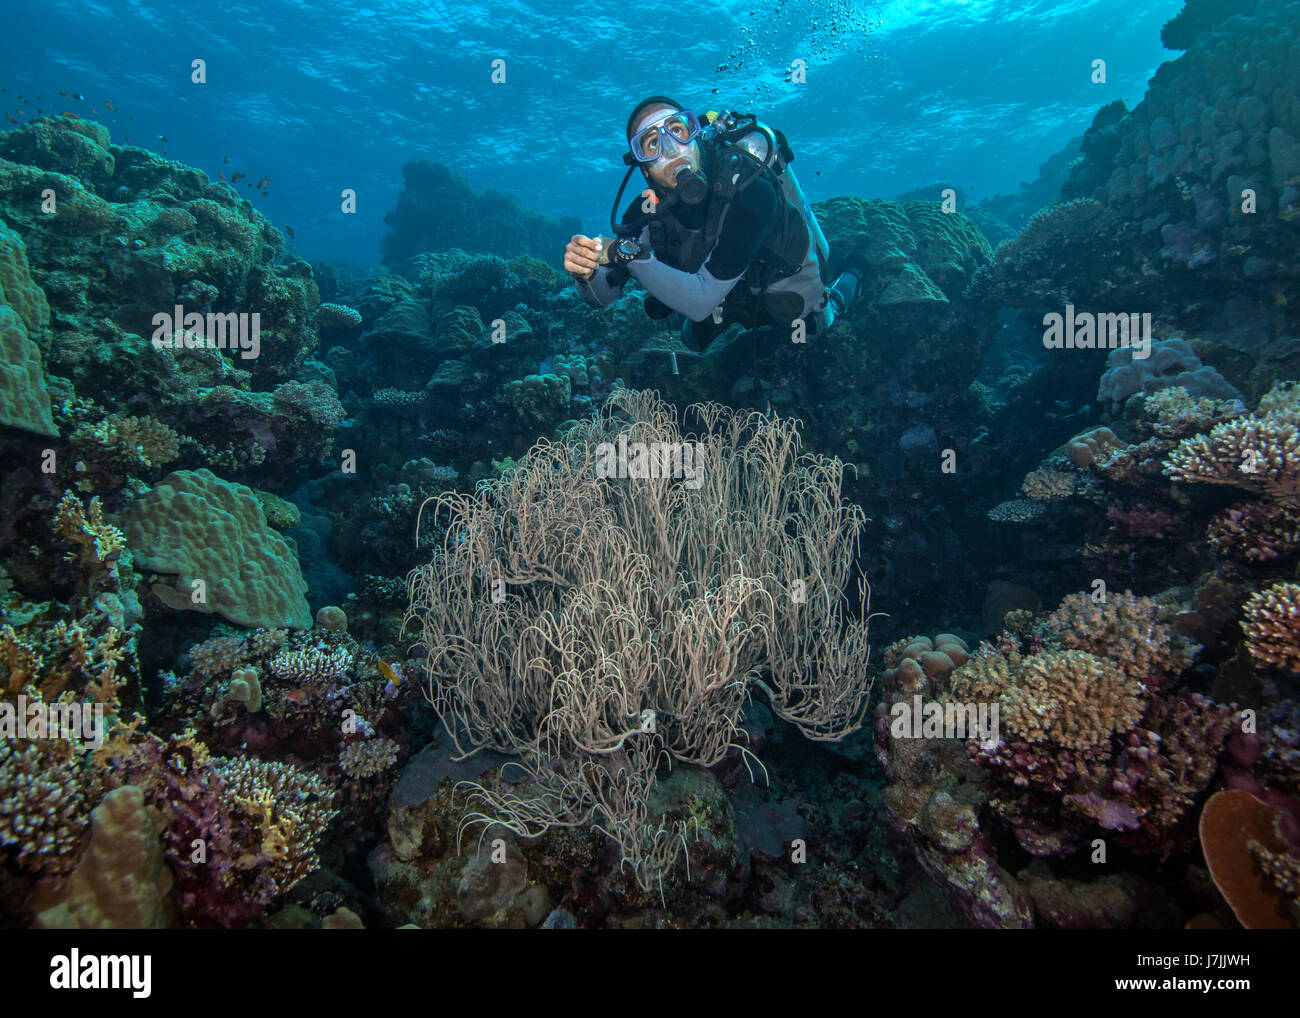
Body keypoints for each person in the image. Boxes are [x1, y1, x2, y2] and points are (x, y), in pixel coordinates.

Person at [564, 95, 865, 354]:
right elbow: (603, 296)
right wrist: (586, 272)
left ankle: (851, 274)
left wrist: (623, 253)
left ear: (695, 135)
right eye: (652, 144)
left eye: (677, 130)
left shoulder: (751, 187)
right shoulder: (646, 209)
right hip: (724, 289)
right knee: (691, 341)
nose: (670, 150)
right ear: (645, 169)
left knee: (813, 326)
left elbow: (697, 303)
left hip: (778, 280)